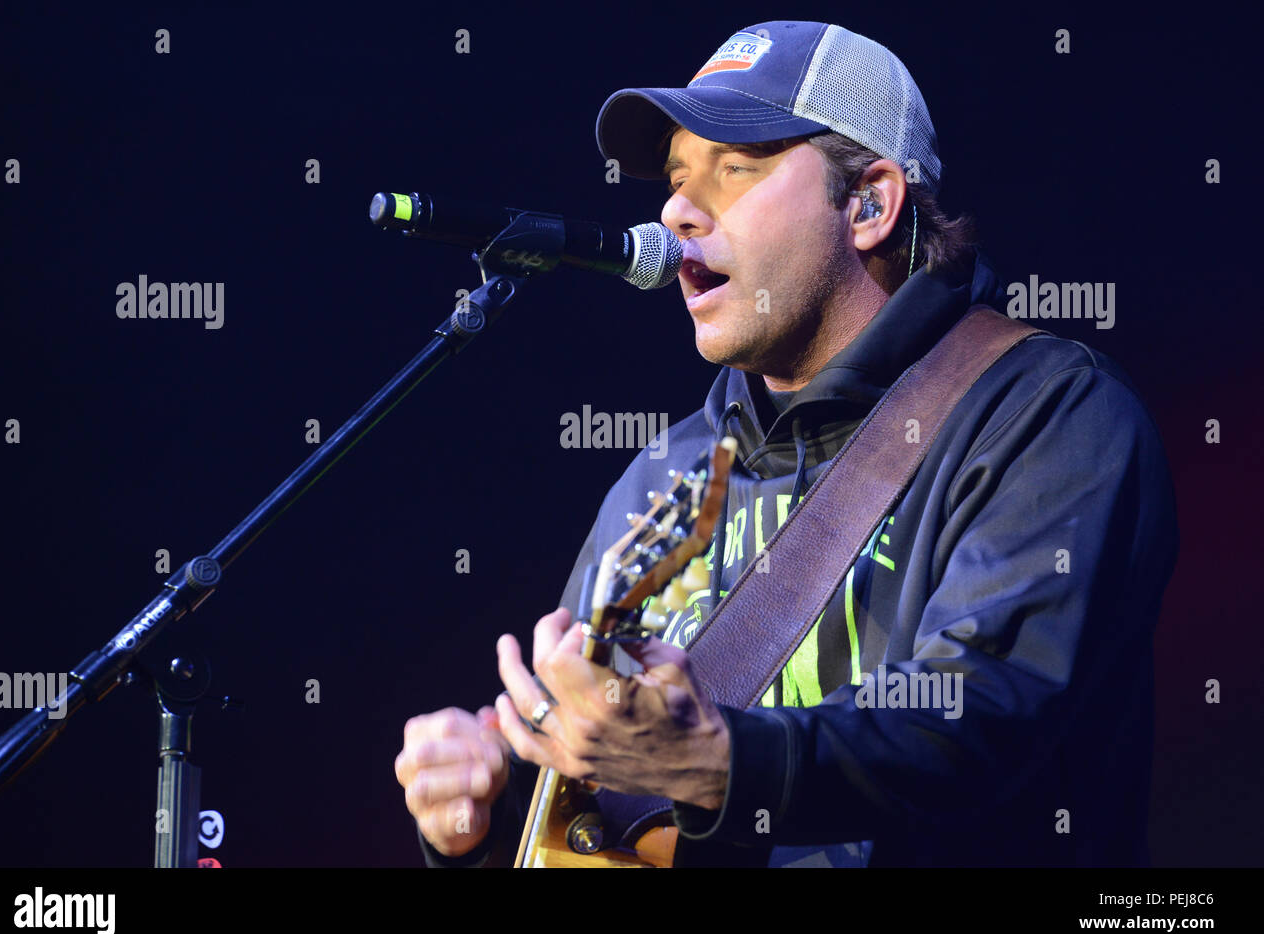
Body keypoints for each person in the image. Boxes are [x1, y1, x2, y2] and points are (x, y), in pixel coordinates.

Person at [394, 21, 1179, 867]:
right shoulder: (662, 476)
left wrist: (715, 761)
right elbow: (598, 821)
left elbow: (976, 721)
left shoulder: (1049, 414)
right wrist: (487, 809)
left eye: (735, 168)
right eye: (676, 178)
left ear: (871, 203)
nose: (675, 210)